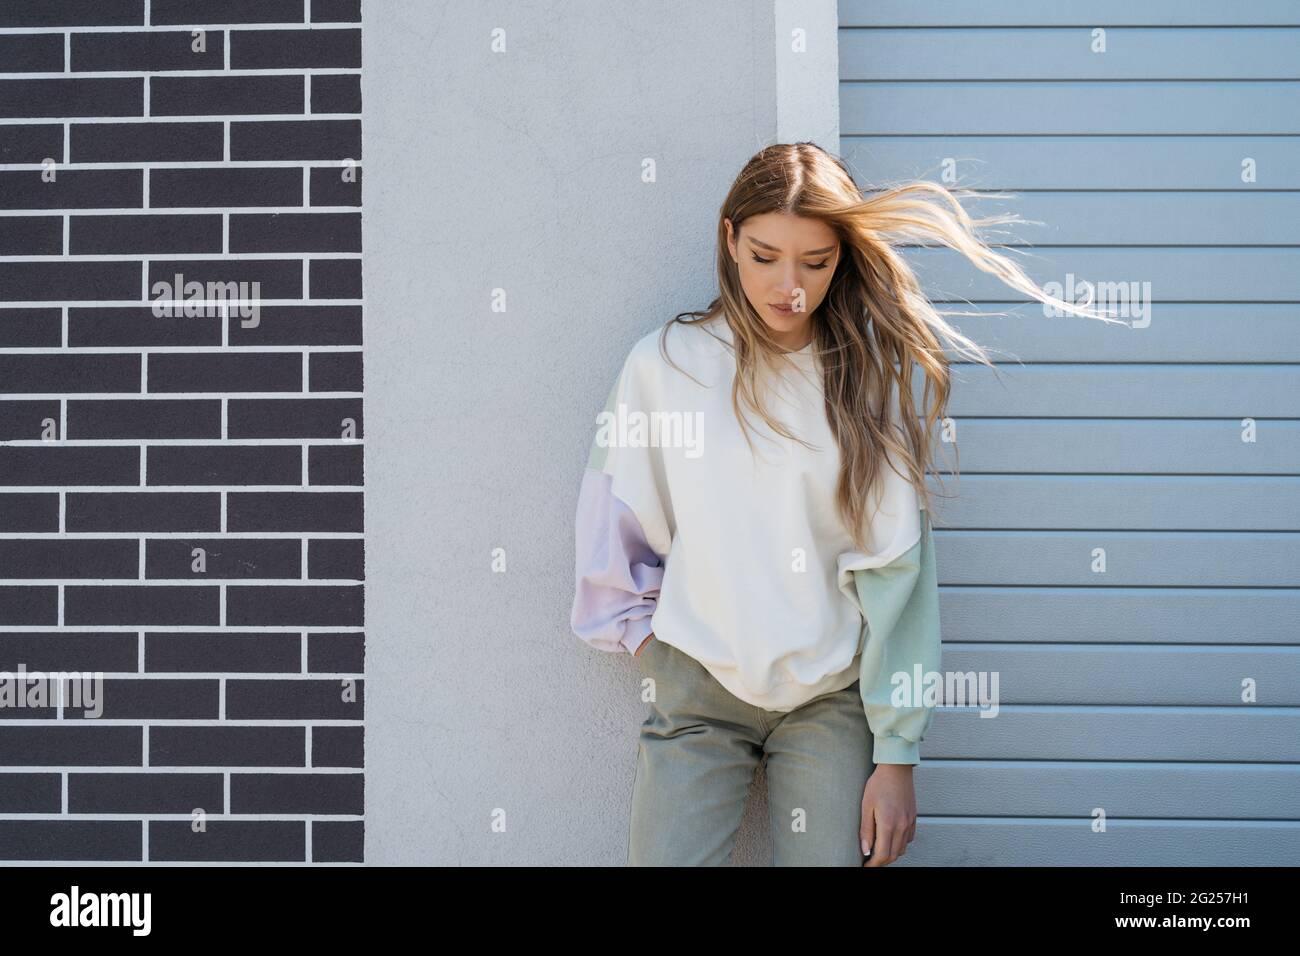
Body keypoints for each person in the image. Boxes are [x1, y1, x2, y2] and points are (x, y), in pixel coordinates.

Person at [569, 142, 1120, 867]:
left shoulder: (866, 384)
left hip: (829, 702)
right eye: (764, 255)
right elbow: (615, 517)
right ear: (729, 238)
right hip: (697, 692)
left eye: (815, 262)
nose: (788, 286)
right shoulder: (665, 365)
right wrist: (653, 646)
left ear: (843, 259)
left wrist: (897, 756)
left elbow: (900, 580)